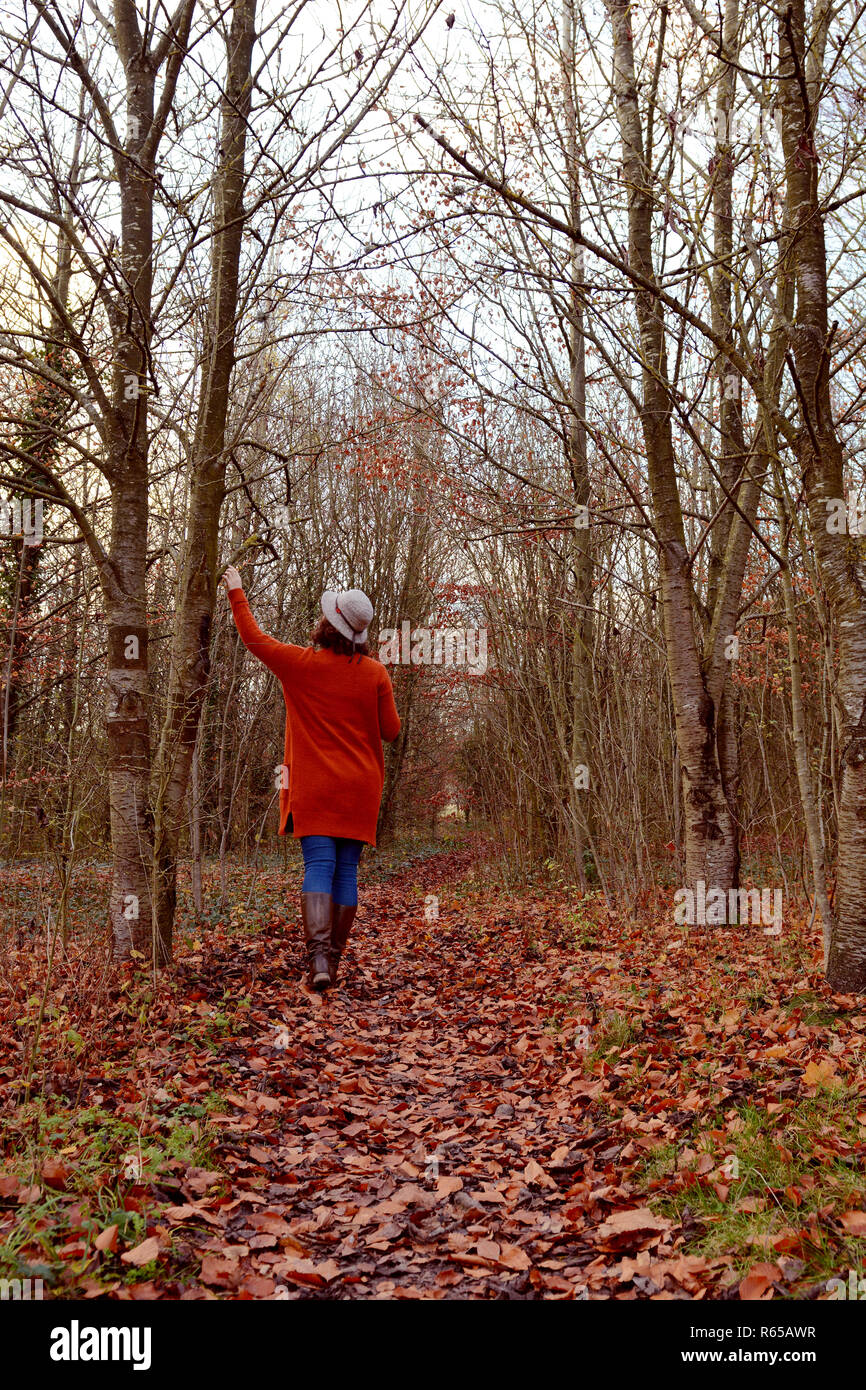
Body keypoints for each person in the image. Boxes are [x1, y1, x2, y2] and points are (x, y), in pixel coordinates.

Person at [222, 566, 401, 991]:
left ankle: (318, 960)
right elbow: (391, 731)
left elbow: (254, 639)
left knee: (319, 865)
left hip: (315, 787)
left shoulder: (301, 665)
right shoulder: (376, 673)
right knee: (347, 873)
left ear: (327, 624)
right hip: (360, 789)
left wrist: (236, 591)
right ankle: (333, 962)